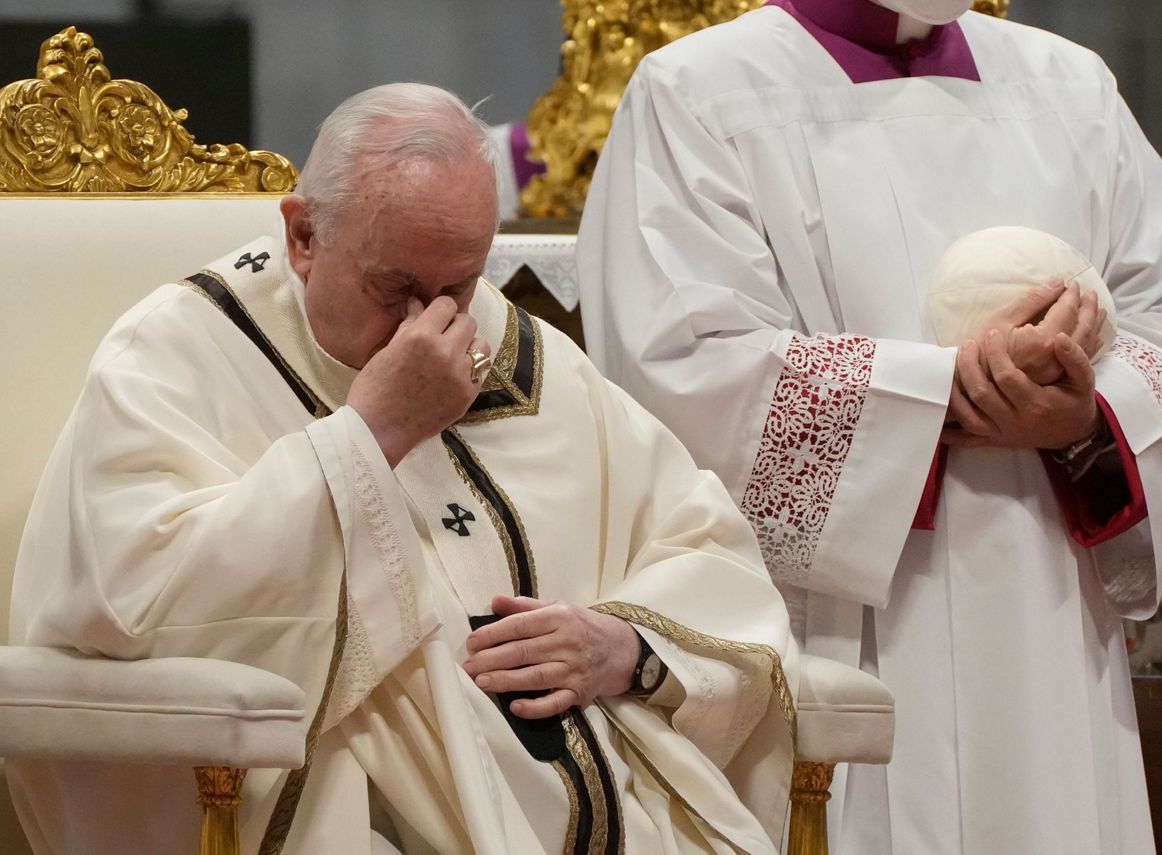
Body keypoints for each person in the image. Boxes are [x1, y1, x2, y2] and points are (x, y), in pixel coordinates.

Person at [7, 83, 800, 855]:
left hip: (601, 803)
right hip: (348, 812)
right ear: (303, 236)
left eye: (459, 282)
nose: (433, 327)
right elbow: (133, 601)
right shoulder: (175, 354)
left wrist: (626, 642)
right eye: (395, 288)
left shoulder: (521, 352)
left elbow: (704, 544)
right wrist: (373, 433)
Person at [576, 1, 1162, 853]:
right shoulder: (698, 93)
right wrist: (949, 394)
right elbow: (679, 365)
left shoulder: (1068, 85)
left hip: (1045, 611)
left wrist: (1086, 417)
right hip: (841, 629)